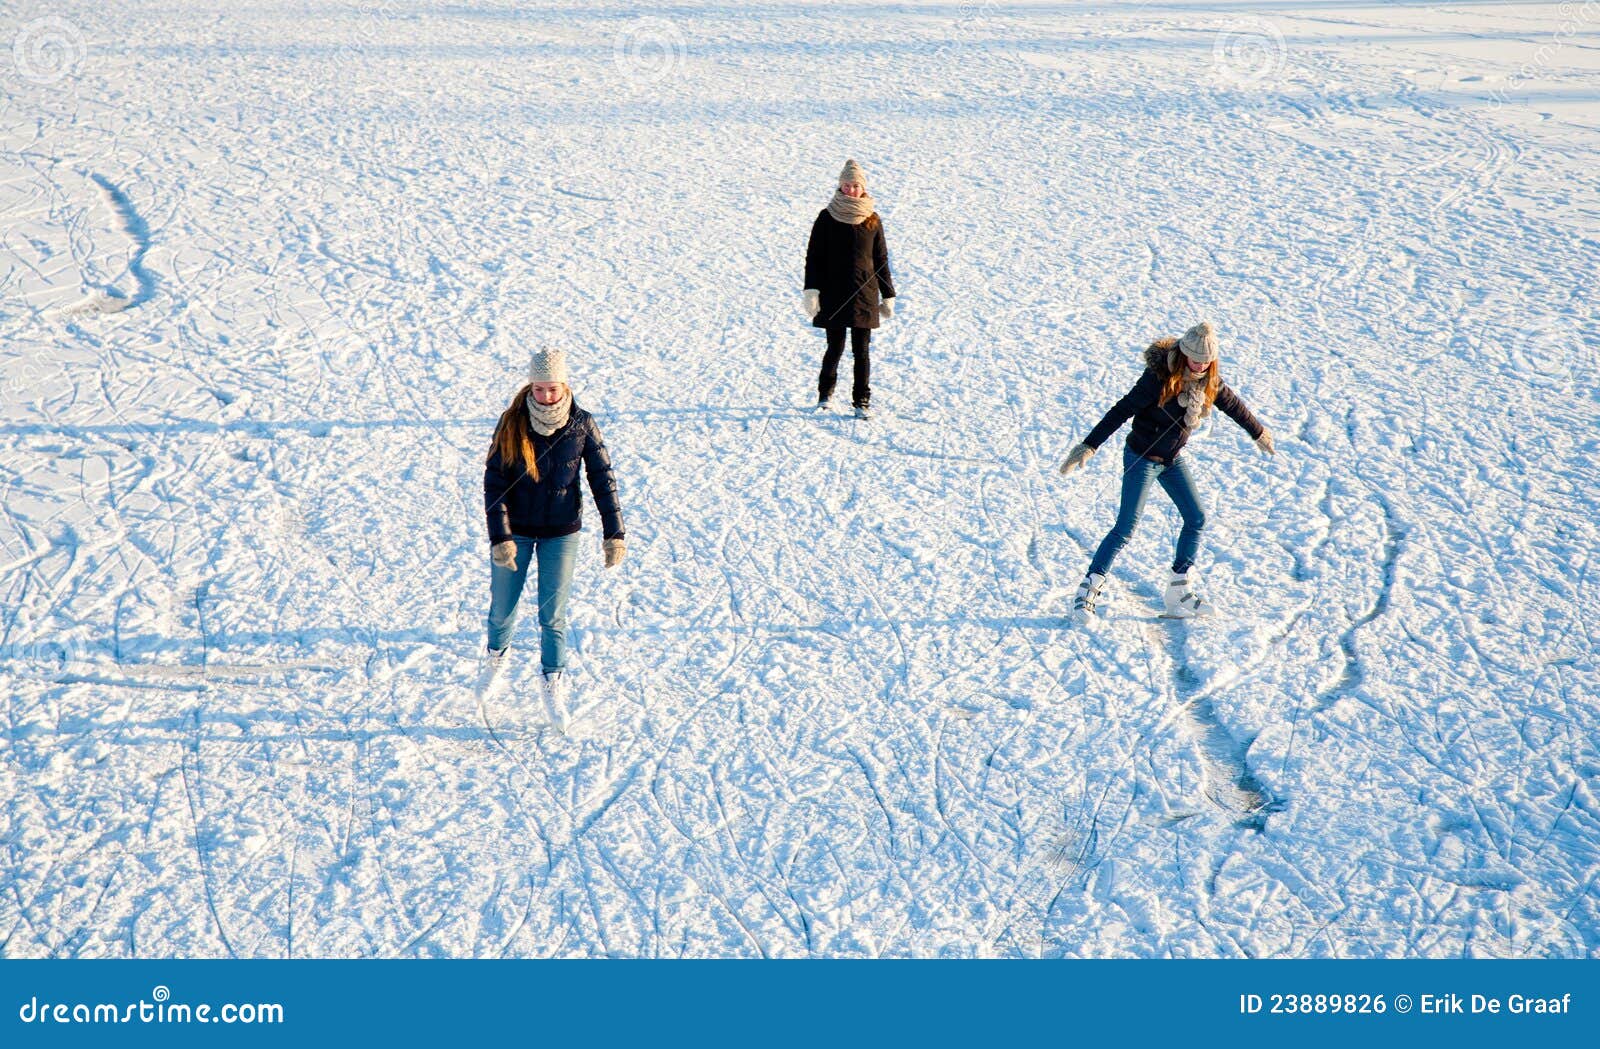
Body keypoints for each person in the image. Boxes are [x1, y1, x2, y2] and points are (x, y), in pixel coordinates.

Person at [1058, 321, 1275, 619]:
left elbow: (1234, 405)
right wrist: (1089, 446)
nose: (1199, 365)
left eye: (1206, 361)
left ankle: (1178, 593)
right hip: (1142, 458)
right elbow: (1122, 410)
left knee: (1196, 517)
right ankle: (1086, 594)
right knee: (1125, 529)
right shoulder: (1158, 378)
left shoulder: (1208, 381)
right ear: (1184, 353)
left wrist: (1258, 432)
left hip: (1172, 460)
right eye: (1195, 359)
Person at [480, 348, 625, 729]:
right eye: (540, 388)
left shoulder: (581, 423)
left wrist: (615, 533)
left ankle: (553, 678)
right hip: (518, 535)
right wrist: (501, 537)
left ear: (565, 386)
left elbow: (602, 479)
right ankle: (496, 655)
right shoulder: (512, 422)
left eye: (553, 388)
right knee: (502, 609)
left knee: (553, 616)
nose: (546, 396)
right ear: (531, 386)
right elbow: (494, 482)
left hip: (562, 534)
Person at [803, 158, 896, 420]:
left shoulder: (873, 219)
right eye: (846, 185)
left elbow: (881, 260)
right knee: (835, 347)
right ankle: (825, 396)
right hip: (832, 292)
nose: (850, 190)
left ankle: (861, 402)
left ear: (862, 187)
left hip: (864, 295)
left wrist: (888, 294)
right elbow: (814, 257)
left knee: (862, 351)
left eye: (855, 185)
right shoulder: (827, 216)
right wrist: (811, 290)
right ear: (840, 186)